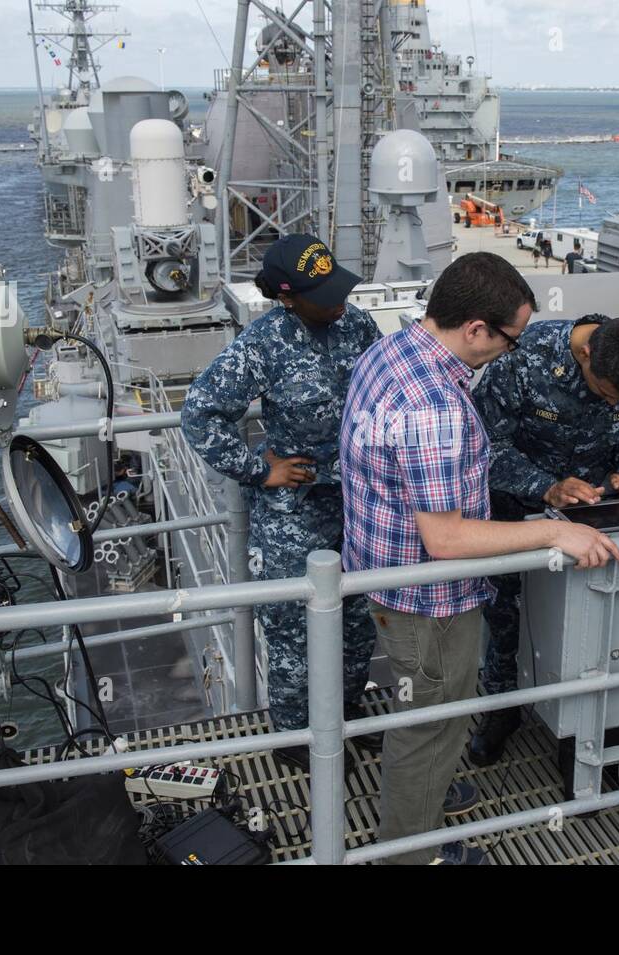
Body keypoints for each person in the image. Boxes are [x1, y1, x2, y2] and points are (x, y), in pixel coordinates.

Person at [340, 252, 619, 864]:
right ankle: (412, 852)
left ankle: (426, 799)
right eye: (510, 339)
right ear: (475, 328)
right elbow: (446, 540)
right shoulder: (435, 406)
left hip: (386, 579)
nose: (512, 352)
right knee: (430, 726)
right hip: (429, 601)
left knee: (429, 719)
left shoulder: (394, 352)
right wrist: (554, 534)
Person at [181, 234, 380, 772]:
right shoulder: (264, 342)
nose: (339, 299)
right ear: (288, 297)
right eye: (324, 292)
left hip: (358, 503)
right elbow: (199, 414)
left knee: (357, 620)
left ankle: (345, 716)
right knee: (295, 631)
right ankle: (296, 735)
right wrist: (259, 470)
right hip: (297, 513)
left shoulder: (356, 324)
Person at [467, 314, 619, 764]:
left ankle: (576, 730)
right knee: (508, 618)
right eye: (605, 393)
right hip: (518, 516)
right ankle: (503, 709)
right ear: (585, 355)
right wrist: (545, 486)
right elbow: (484, 445)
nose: (612, 403)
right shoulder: (523, 361)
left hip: (597, 522)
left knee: (591, 625)